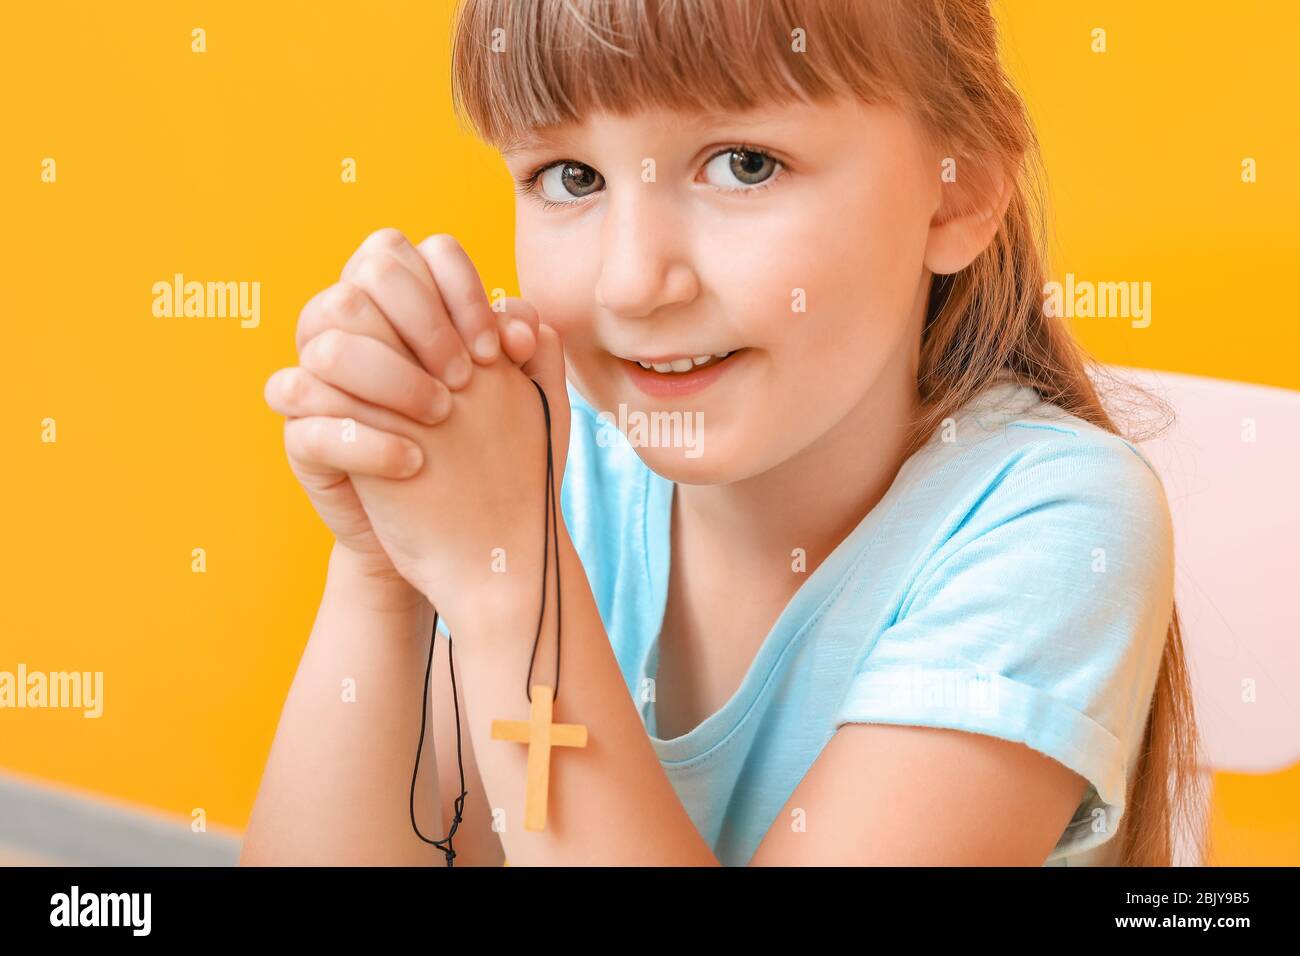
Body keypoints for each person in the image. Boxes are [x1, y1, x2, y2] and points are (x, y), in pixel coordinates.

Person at [243, 0, 1209, 867]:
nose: (632, 282)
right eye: (571, 176)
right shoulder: (557, 469)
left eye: (744, 165)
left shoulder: (1055, 522)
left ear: (956, 190)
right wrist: (382, 573)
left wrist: (509, 583)